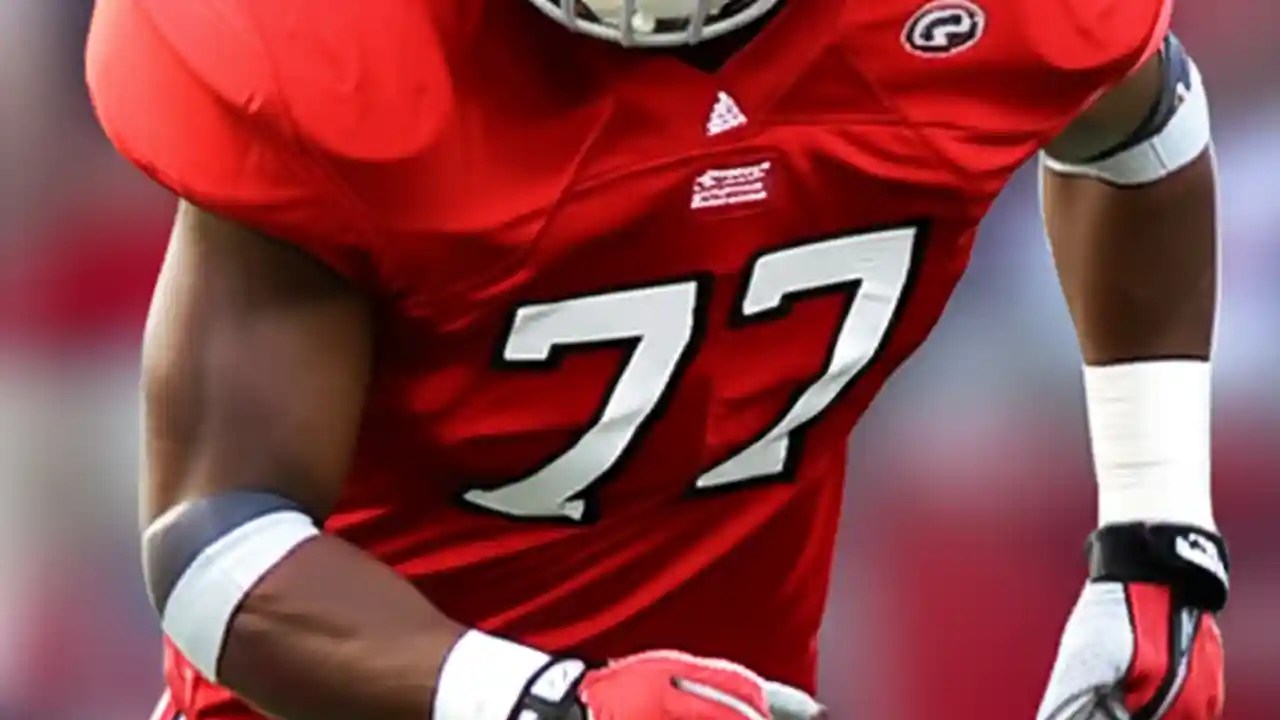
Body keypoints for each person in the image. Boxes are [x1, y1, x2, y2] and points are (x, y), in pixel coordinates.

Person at [85, 0, 1229, 718]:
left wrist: (1153, 538)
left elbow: (1140, 125)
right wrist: (545, 706)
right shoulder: (330, 45)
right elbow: (215, 550)